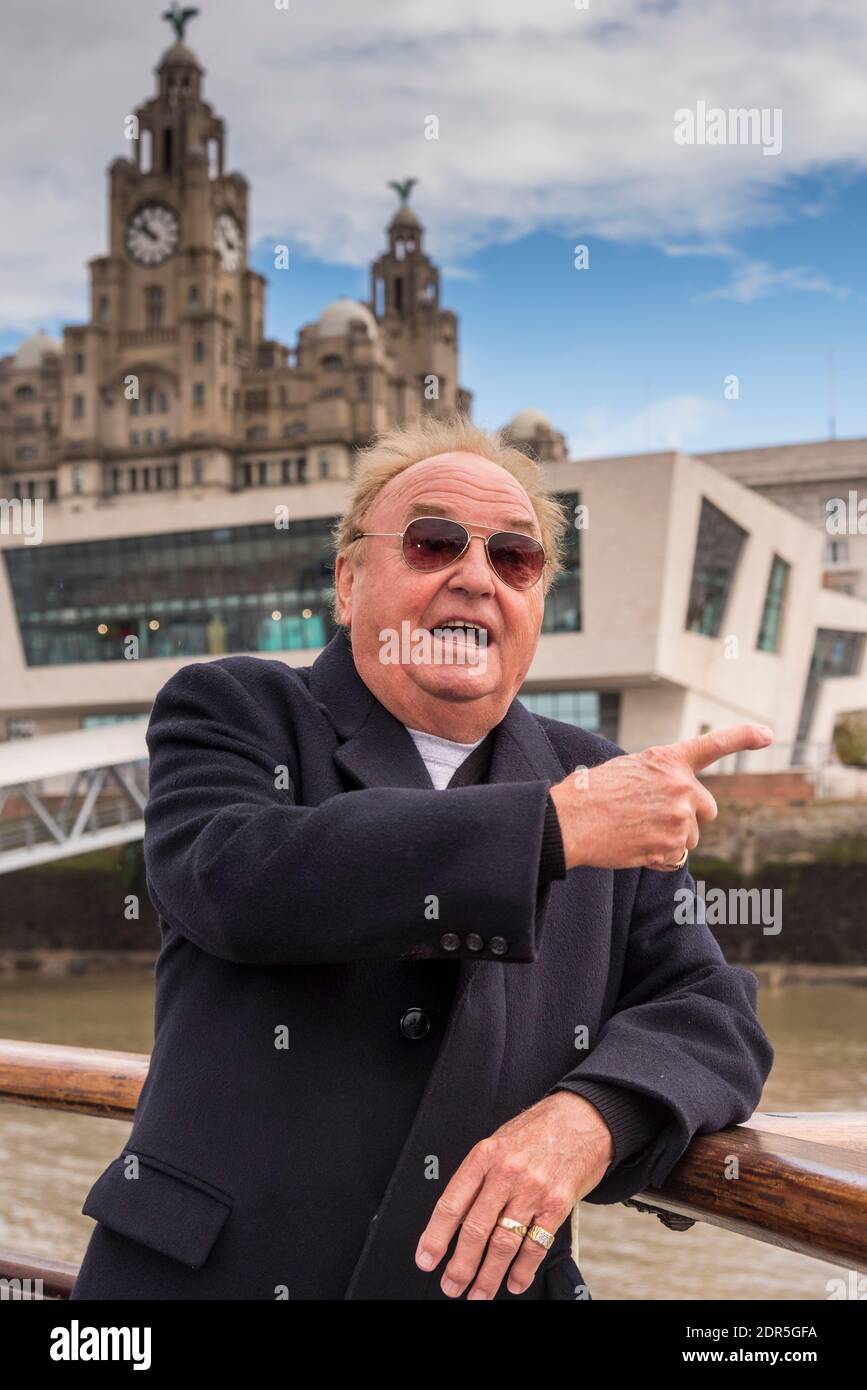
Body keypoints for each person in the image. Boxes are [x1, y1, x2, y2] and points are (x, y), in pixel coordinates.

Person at [71, 414, 774, 1301]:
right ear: (347, 581)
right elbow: (233, 880)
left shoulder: (597, 773)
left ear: (535, 601)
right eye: (432, 543)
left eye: (513, 558)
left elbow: (712, 1012)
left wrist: (591, 1116)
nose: (476, 576)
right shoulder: (234, 707)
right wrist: (549, 829)